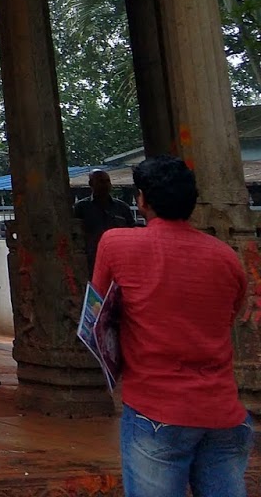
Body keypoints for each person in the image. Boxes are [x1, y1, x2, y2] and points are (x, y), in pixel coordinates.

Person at [93, 156, 252, 496]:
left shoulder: (116, 243)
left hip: (156, 409)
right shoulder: (225, 256)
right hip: (223, 412)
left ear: (141, 199)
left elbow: (99, 314)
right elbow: (229, 317)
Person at [76, 167, 136, 273]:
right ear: (91, 184)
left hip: (120, 259)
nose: (105, 185)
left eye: (108, 181)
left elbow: (131, 231)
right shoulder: (81, 208)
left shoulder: (122, 207)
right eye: (101, 181)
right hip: (93, 261)